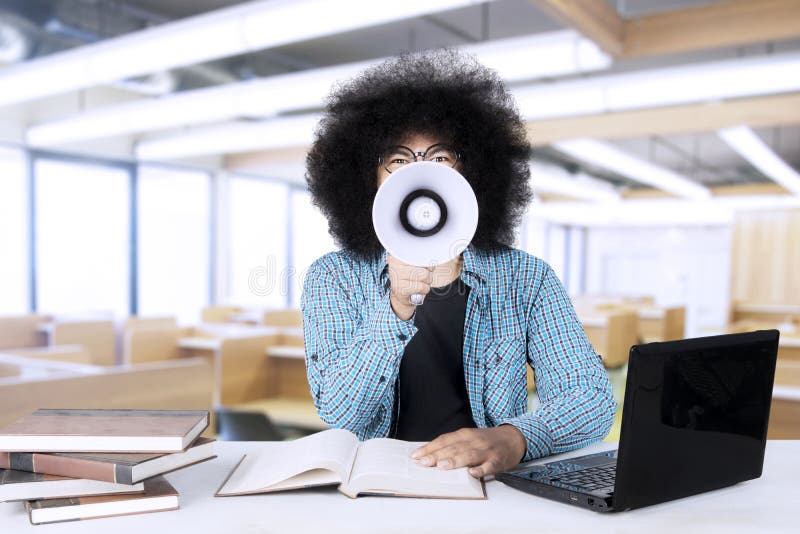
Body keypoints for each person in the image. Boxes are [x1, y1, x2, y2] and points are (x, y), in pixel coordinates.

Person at [302, 49, 615, 478]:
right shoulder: (332, 277)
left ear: (469, 171)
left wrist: (514, 438)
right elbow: (341, 414)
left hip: (489, 483)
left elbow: (592, 399)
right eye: (397, 160)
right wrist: (395, 307)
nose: (419, 172)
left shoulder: (526, 278)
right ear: (367, 177)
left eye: (440, 157)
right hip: (379, 484)